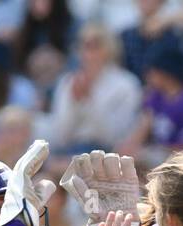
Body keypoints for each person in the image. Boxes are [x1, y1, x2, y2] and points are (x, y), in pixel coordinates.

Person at [49, 23, 143, 154]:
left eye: (95, 46)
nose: (89, 53)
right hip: (68, 151)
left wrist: (89, 100)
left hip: (105, 154)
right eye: (84, 45)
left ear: (110, 48)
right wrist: (74, 103)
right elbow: (60, 137)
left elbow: (114, 138)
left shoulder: (126, 84)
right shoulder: (67, 82)